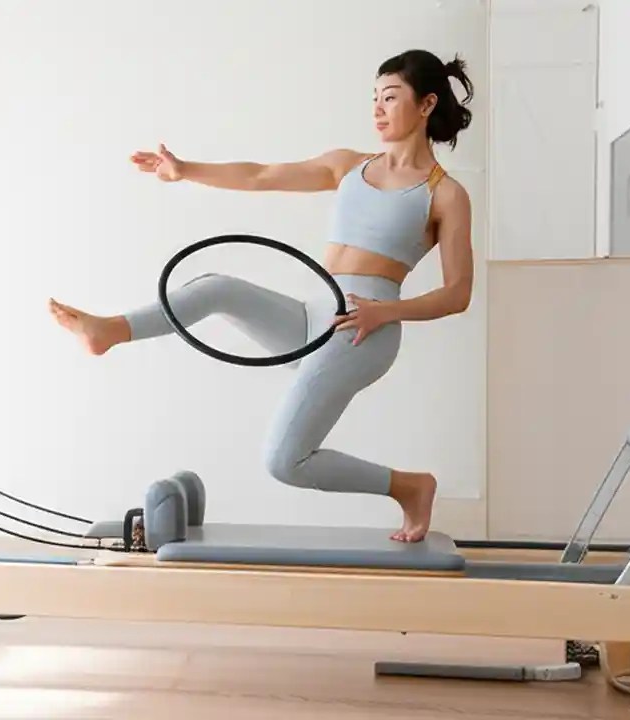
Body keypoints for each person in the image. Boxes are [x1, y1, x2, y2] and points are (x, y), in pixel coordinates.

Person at [48, 49, 475, 543]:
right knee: (216, 288)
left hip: (363, 330)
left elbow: (457, 293)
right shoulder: (348, 166)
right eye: (374, 98)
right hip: (315, 314)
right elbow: (261, 174)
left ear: (425, 105)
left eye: (390, 97)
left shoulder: (445, 194)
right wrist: (184, 169)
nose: (377, 108)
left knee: (283, 461)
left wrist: (387, 312)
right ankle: (111, 330)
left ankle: (409, 487)